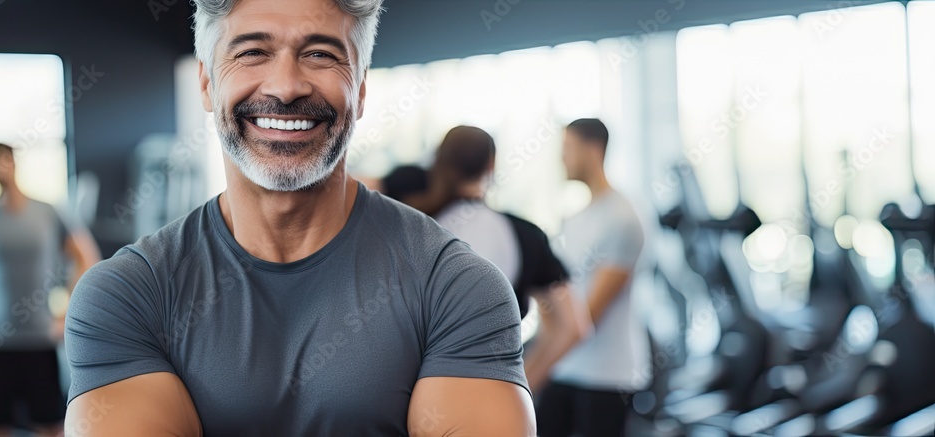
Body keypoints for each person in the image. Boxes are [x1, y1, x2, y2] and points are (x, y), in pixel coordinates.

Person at [63, 1, 535, 435]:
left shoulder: (457, 288)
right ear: (207, 83)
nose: (286, 87)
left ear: (362, 88)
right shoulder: (124, 297)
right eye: (252, 52)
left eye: (321, 55)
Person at [404, 126, 591, 395]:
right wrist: (521, 385)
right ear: (492, 164)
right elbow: (574, 327)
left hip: (414, 401)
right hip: (490, 402)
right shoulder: (523, 235)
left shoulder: (409, 225)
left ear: (440, 162)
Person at [0, 143, 101, 437]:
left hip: (39, 340)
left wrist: (66, 313)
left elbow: (86, 259)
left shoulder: (47, 212)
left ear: (10, 162)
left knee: (52, 427)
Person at [536, 118, 649, 437]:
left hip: (606, 377)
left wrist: (534, 366)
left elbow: (586, 317)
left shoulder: (623, 218)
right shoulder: (576, 218)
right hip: (566, 369)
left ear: (593, 149)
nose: (562, 158)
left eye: (568, 148)